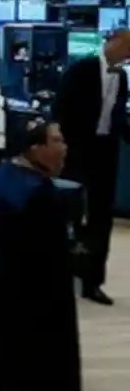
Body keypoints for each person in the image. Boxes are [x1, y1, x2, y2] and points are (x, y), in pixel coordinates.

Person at [0, 120, 80, 391]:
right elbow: (54, 283)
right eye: (57, 140)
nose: (65, 147)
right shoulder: (41, 196)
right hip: (24, 327)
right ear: (36, 148)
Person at [53, 28, 130, 305]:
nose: (128, 56)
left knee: (101, 219)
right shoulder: (80, 70)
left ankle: (92, 282)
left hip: (105, 154)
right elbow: (60, 111)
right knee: (68, 217)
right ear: (114, 42)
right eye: (127, 48)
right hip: (75, 153)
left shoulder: (121, 78)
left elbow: (117, 119)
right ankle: (61, 275)